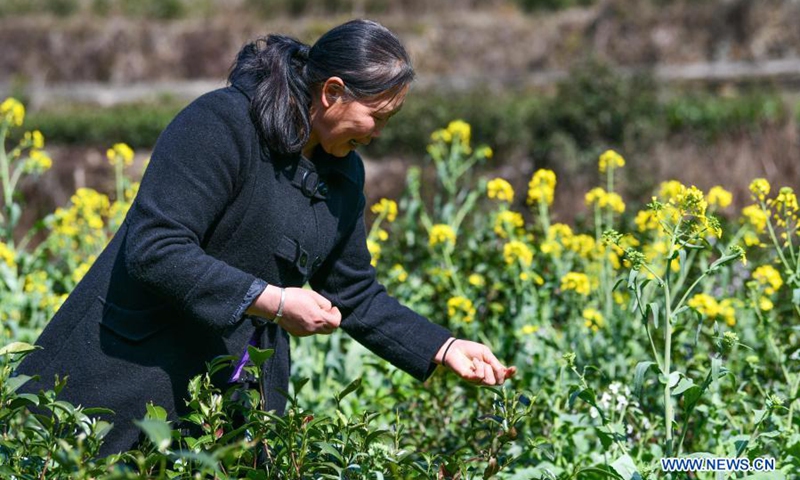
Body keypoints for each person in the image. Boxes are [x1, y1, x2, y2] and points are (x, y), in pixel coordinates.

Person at [17, 19, 515, 456]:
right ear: (333, 92)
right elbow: (156, 248)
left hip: (227, 401)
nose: (379, 133)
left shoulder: (343, 172)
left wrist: (444, 347)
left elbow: (354, 292)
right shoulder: (222, 124)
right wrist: (273, 300)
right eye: (377, 117)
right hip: (124, 378)